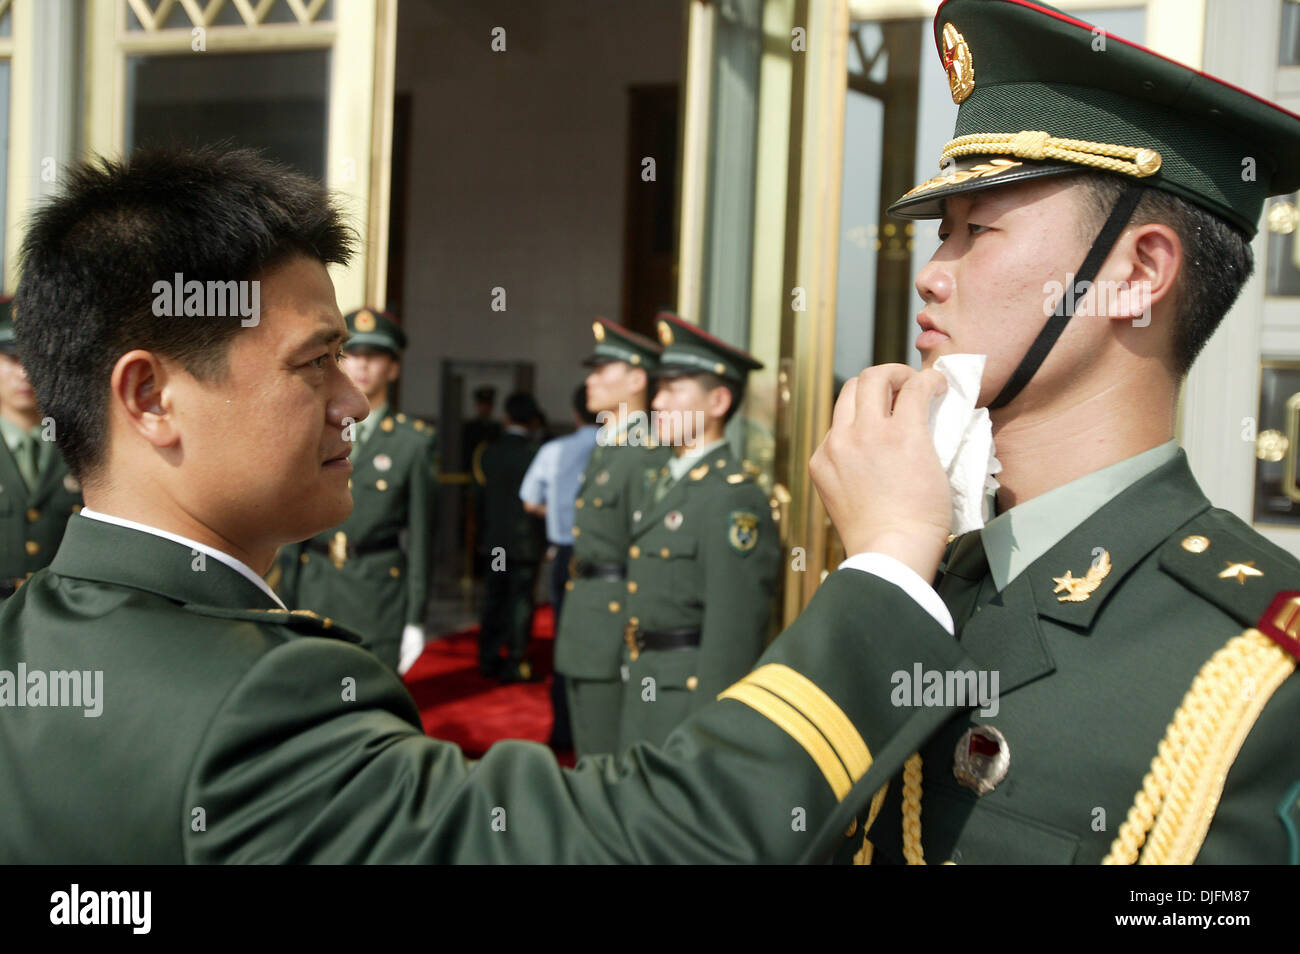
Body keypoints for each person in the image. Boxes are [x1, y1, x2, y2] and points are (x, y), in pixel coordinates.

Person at [1, 145, 903, 863]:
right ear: (151, 398)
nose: (351, 403)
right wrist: (888, 569)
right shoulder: (256, 702)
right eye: (315, 364)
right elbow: (645, 840)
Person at [809, 0, 1300, 864]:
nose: (929, 276)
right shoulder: (917, 573)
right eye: (939, 236)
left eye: (977, 232)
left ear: (1136, 273)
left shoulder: (1257, 665)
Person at [616, 313, 780, 750]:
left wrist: (709, 735)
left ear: (718, 401)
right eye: (658, 389)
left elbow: (733, 634)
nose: (658, 403)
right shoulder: (662, 481)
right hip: (644, 685)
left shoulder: (733, 498)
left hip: (685, 706)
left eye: (674, 389)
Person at [277, 307, 435, 675]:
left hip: (376, 594)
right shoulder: (314, 432)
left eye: (375, 357)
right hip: (315, 585)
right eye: (353, 356)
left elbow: (423, 536)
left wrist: (416, 616)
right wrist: (285, 595)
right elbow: (294, 516)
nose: (362, 366)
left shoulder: (413, 443)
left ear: (393, 368)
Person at [554, 318, 670, 757]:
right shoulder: (610, 444)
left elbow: (645, 555)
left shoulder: (645, 452)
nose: (591, 380)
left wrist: (634, 644)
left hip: (615, 623)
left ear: (638, 379)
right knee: (590, 754)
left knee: (608, 760)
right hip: (589, 617)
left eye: (604, 370)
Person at [519, 382, 601, 747]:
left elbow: (529, 499)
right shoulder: (621, 447)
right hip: (609, 557)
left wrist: (561, 514)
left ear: (574, 414)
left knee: (566, 642)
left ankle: (564, 729)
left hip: (566, 551)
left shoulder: (555, 450)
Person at [0, 299, 82, 599]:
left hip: (59, 625)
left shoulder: (80, 446)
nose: (25, 373)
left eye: (35, 358)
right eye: (12, 358)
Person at [475, 391, 545, 682]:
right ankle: (516, 658)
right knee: (520, 600)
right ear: (531, 421)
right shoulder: (534, 455)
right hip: (526, 544)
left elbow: (479, 497)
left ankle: (488, 657)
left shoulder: (489, 452)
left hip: (498, 544)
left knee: (495, 596)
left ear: (506, 418)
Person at [461, 386, 501, 470]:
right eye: (482, 404)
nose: (485, 408)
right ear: (477, 405)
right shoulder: (469, 428)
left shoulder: (497, 428)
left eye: (488, 404)